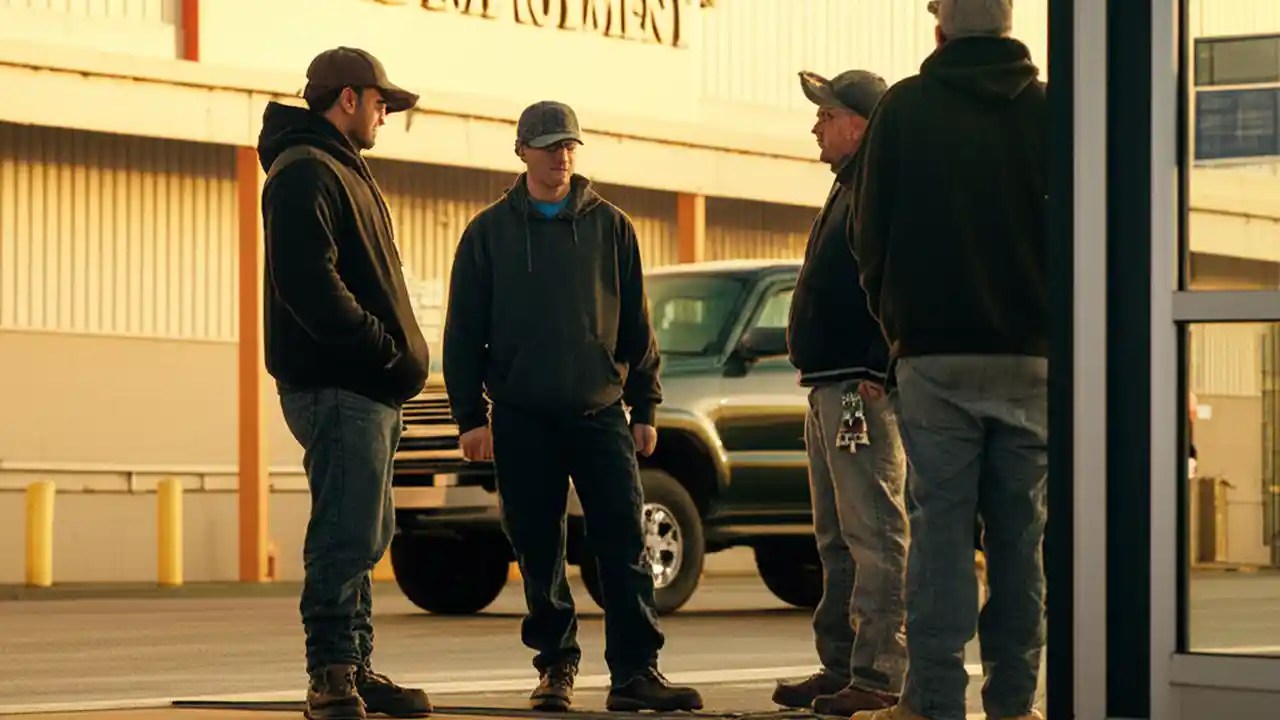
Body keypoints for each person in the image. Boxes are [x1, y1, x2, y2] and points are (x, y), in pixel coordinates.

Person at [441, 100, 703, 713]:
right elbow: (462, 333)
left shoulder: (612, 228)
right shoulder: (488, 234)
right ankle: (555, 668)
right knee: (537, 546)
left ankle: (636, 672)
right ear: (522, 152)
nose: (562, 155)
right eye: (550, 144)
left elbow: (638, 326)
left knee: (623, 544)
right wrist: (469, 419)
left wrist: (645, 409)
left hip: (600, 414)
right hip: (522, 417)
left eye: (570, 145)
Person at [849, 1, 1048, 719]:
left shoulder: (904, 110)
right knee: (1021, 537)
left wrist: (897, 324)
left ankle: (933, 701)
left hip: (934, 356)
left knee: (939, 532)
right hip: (1032, 358)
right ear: (1007, 26)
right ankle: (1017, 702)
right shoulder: (1048, 110)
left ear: (940, 29)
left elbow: (867, 236)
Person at [258, 46, 432, 720]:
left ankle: (355, 666)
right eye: (380, 101)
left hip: (367, 390)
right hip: (341, 384)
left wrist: (388, 366)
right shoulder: (305, 171)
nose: (385, 114)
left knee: (365, 530)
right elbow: (309, 284)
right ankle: (329, 674)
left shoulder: (336, 168)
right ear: (348, 99)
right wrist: (383, 352)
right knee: (344, 532)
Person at [771, 69, 908, 717]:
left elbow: (897, 282)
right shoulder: (845, 189)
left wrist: (877, 367)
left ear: (858, 122)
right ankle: (841, 664)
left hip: (857, 390)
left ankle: (880, 672)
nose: (815, 126)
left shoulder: (879, 192)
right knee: (834, 536)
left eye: (826, 115)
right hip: (828, 389)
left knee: (873, 531)